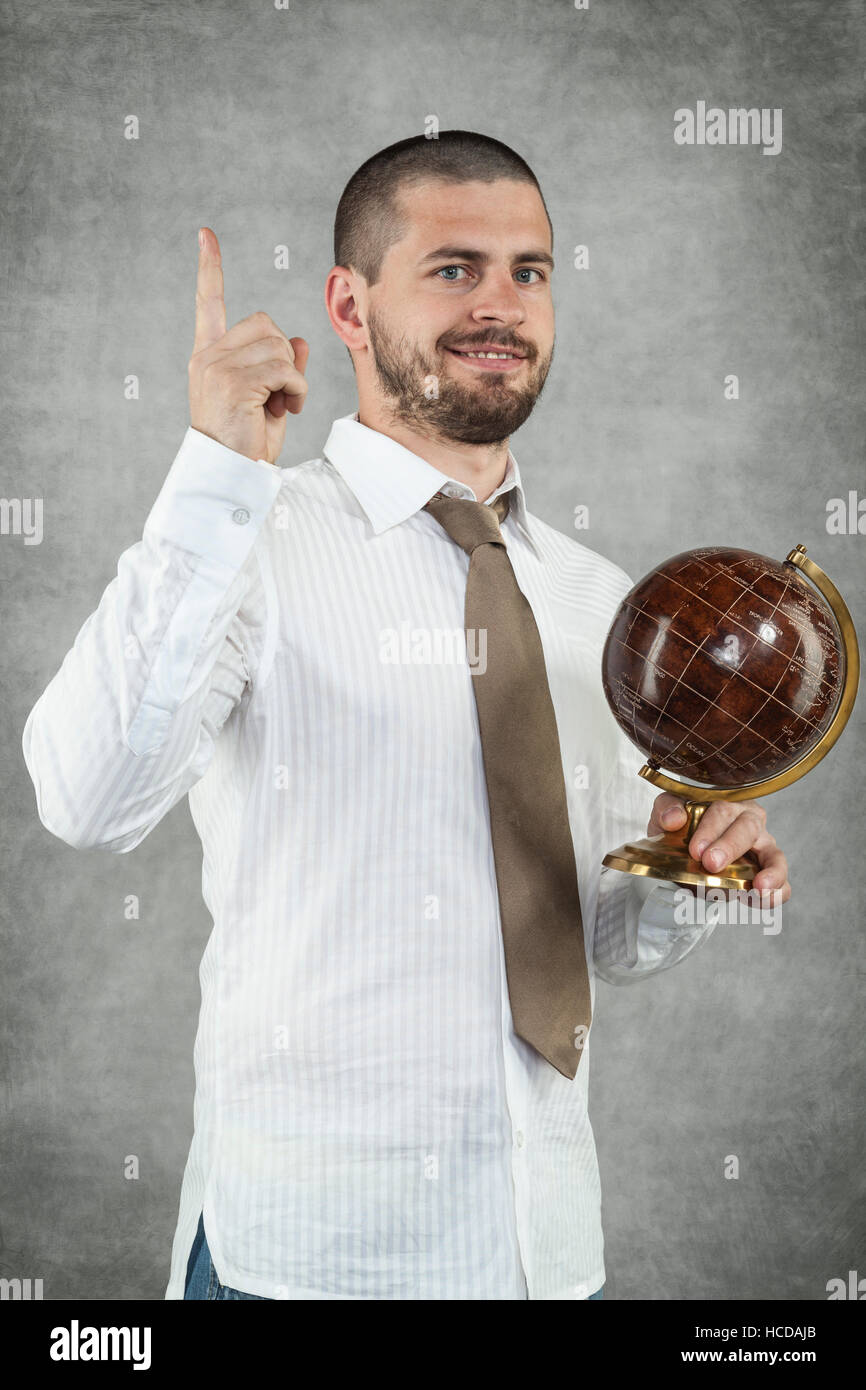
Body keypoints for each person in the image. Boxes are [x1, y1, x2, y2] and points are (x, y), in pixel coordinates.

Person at [21, 130, 791, 1301]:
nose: (501, 306)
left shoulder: (601, 602)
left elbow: (599, 947)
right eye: (453, 268)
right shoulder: (247, 538)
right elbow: (85, 799)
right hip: (305, 1262)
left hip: (543, 1254)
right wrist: (214, 475)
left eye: (528, 271)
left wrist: (687, 868)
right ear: (346, 301)